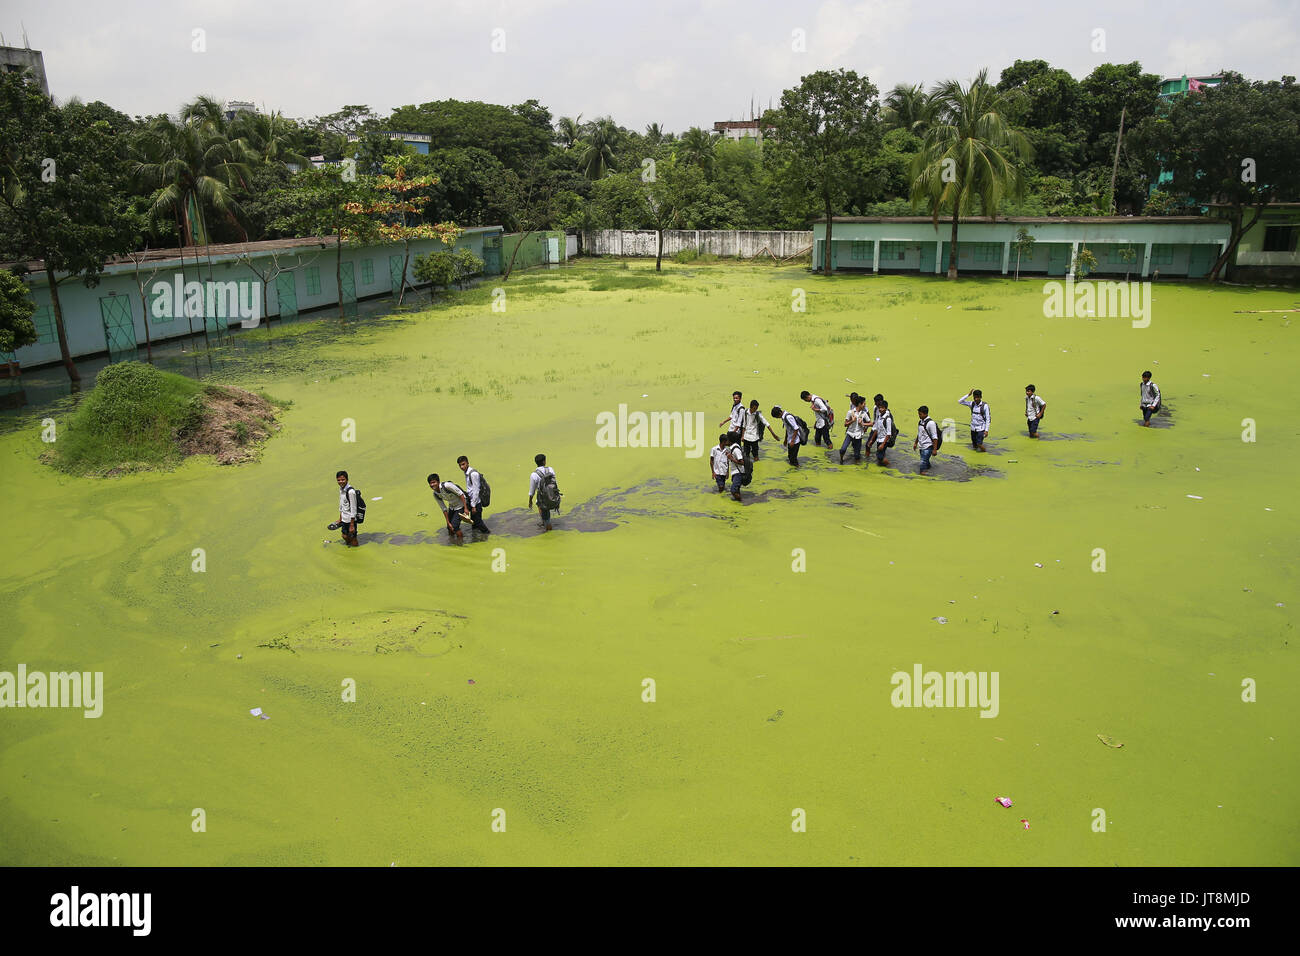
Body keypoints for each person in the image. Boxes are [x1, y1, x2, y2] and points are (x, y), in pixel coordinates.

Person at [428, 472, 469, 541]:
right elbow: (443, 508)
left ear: (438, 482)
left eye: (433, 482)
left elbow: (461, 494)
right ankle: (452, 541)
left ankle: (461, 542)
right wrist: (448, 522)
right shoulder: (435, 494)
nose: (432, 485)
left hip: (461, 505)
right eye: (430, 483)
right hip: (452, 507)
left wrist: (466, 508)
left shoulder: (447, 486)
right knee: (449, 527)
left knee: (455, 526)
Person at [457, 455, 490, 533]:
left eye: (463, 464)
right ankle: (475, 537)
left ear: (468, 463)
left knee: (478, 522)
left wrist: (473, 506)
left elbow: (476, 490)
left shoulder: (473, 474)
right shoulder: (467, 473)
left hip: (476, 503)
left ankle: (487, 533)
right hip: (472, 501)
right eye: (460, 465)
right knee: (474, 523)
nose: (462, 467)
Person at [527, 453, 561, 531]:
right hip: (553, 495)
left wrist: (530, 501)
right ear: (544, 462)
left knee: (545, 517)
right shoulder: (550, 469)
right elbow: (554, 482)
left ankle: (548, 530)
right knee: (546, 515)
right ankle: (545, 522)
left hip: (542, 499)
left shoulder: (534, 475)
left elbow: (532, 491)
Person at [333, 470, 360, 547]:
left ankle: (355, 550)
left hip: (350, 519)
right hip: (344, 519)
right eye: (338, 480)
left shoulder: (351, 492)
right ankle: (350, 545)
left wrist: (352, 524)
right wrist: (340, 518)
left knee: (353, 538)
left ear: (347, 480)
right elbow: (342, 505)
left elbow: (353, 508)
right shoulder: (341, 489)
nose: (340, 482)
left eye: (343, 479)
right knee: (344, 536)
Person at [839, 393, 867, 463]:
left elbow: (871, 422)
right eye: (864, 404)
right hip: (850, 433)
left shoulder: (864, 412)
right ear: (859, 404)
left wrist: (863, 424)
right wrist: (852, 421)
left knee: (857, 455)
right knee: (843, 449)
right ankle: (841, 459)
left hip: (858, 435)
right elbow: (845, 424)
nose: (865, 405)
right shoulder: (850, 412)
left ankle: (857, 465)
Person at [914, 406, 940, 473]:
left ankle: (923, 477)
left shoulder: (931, 423)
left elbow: (935, 437)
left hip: (928, 447)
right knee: (926, 462)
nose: (919, 416)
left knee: (922, 465)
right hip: (921, 446)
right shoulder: (920, 422)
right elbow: (919, 433)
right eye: (919, 414)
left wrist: (934, 449)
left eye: (920, 414)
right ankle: (930, 470)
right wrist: (915, 443)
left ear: (925, 414)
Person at [725, 434, 748, 501]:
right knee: (737, 490)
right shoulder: (732, 448)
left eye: (727, 440)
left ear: (730, 441)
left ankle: (741, 502)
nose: (725, 441)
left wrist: (731, 458)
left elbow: (742, 462)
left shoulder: (736, 450)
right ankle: (739, 501)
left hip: (738, 473)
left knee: (733, 490)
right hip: (735, 473)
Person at [873, 399, 894, 466]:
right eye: (879, 407)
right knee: (880, 455)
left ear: (885, 408)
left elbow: (888, 433)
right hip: (879, 439)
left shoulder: (888, 419)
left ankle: (889, 466)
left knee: (880, 456)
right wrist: (872, 440)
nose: (880, 409)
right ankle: (882, 466)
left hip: (884, 440)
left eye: (882, 408)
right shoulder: (879, 416)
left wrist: (883, 444)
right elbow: (877, 428)